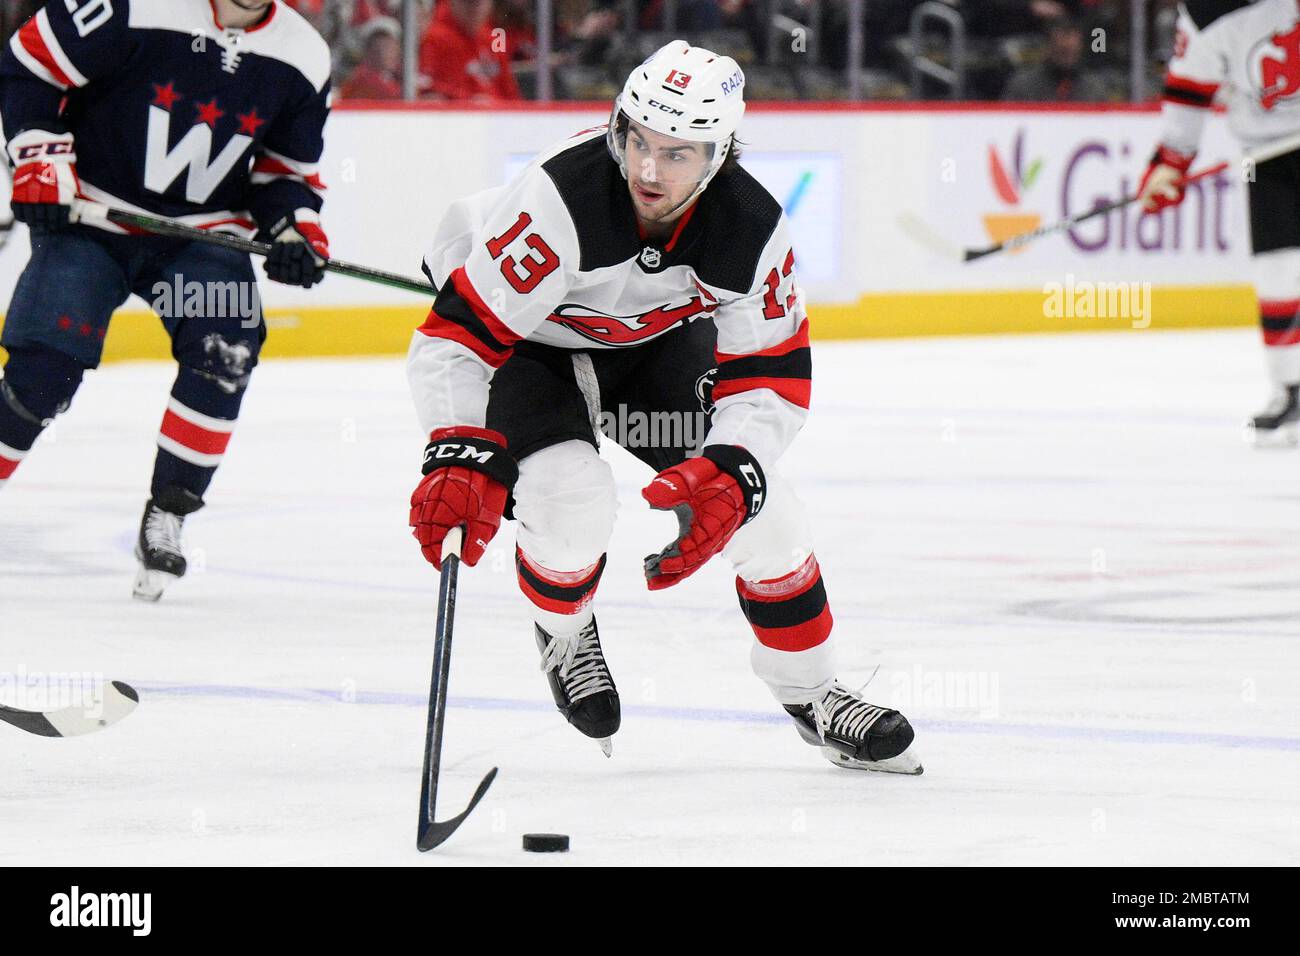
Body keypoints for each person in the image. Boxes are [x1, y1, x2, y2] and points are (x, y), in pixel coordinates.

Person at [406, 41, 922, 774]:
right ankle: (565, 627)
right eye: (638, 142)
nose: (649, 171)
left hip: (654, 350)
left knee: (765, 508)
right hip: (534, 353)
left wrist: (732, 465)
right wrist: (458, 447)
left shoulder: (749, 226)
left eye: (677, 154)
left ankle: (815, 694)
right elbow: (456, 343)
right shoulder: (563, 199)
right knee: (569, 503)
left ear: (717, 155)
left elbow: (772, 371)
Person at [0, 0, 332, 600]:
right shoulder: (136, 6)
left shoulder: (303, 53)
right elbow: (30, 62)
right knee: (43, 371)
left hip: (198, 237)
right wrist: (38, 154)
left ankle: (169, 513)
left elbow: (285, 170)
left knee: (225, 347)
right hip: (90, 217)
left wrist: (293, 229)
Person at [1138, 0, 1300, 444]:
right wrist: (1171, 159)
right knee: (1279, 272)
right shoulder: (1210, 11)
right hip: (1267, 153)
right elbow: (1190, 87)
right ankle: (1291, 388)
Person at [417, 0, 520, 102]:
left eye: (480, 2)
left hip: (497, 114)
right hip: (460, 115)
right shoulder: (434, 38)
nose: (475, 9)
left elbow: (512, 96)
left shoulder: (494, 38)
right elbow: (428, 93)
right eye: (468, 2)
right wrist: (468, 101)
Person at [1001, 16, 1110, 102]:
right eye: (1063, 51)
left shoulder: (1093, 88)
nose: (1068, 59)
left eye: (1072, 52)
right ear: (1048, 47)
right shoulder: (1023, 86)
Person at [340, 16, 403, 99]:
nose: (390, 52)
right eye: (384, 47)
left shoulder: (387, 76)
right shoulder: (363, 77)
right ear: (368, 51)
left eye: (393, 46)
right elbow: (396, 99)